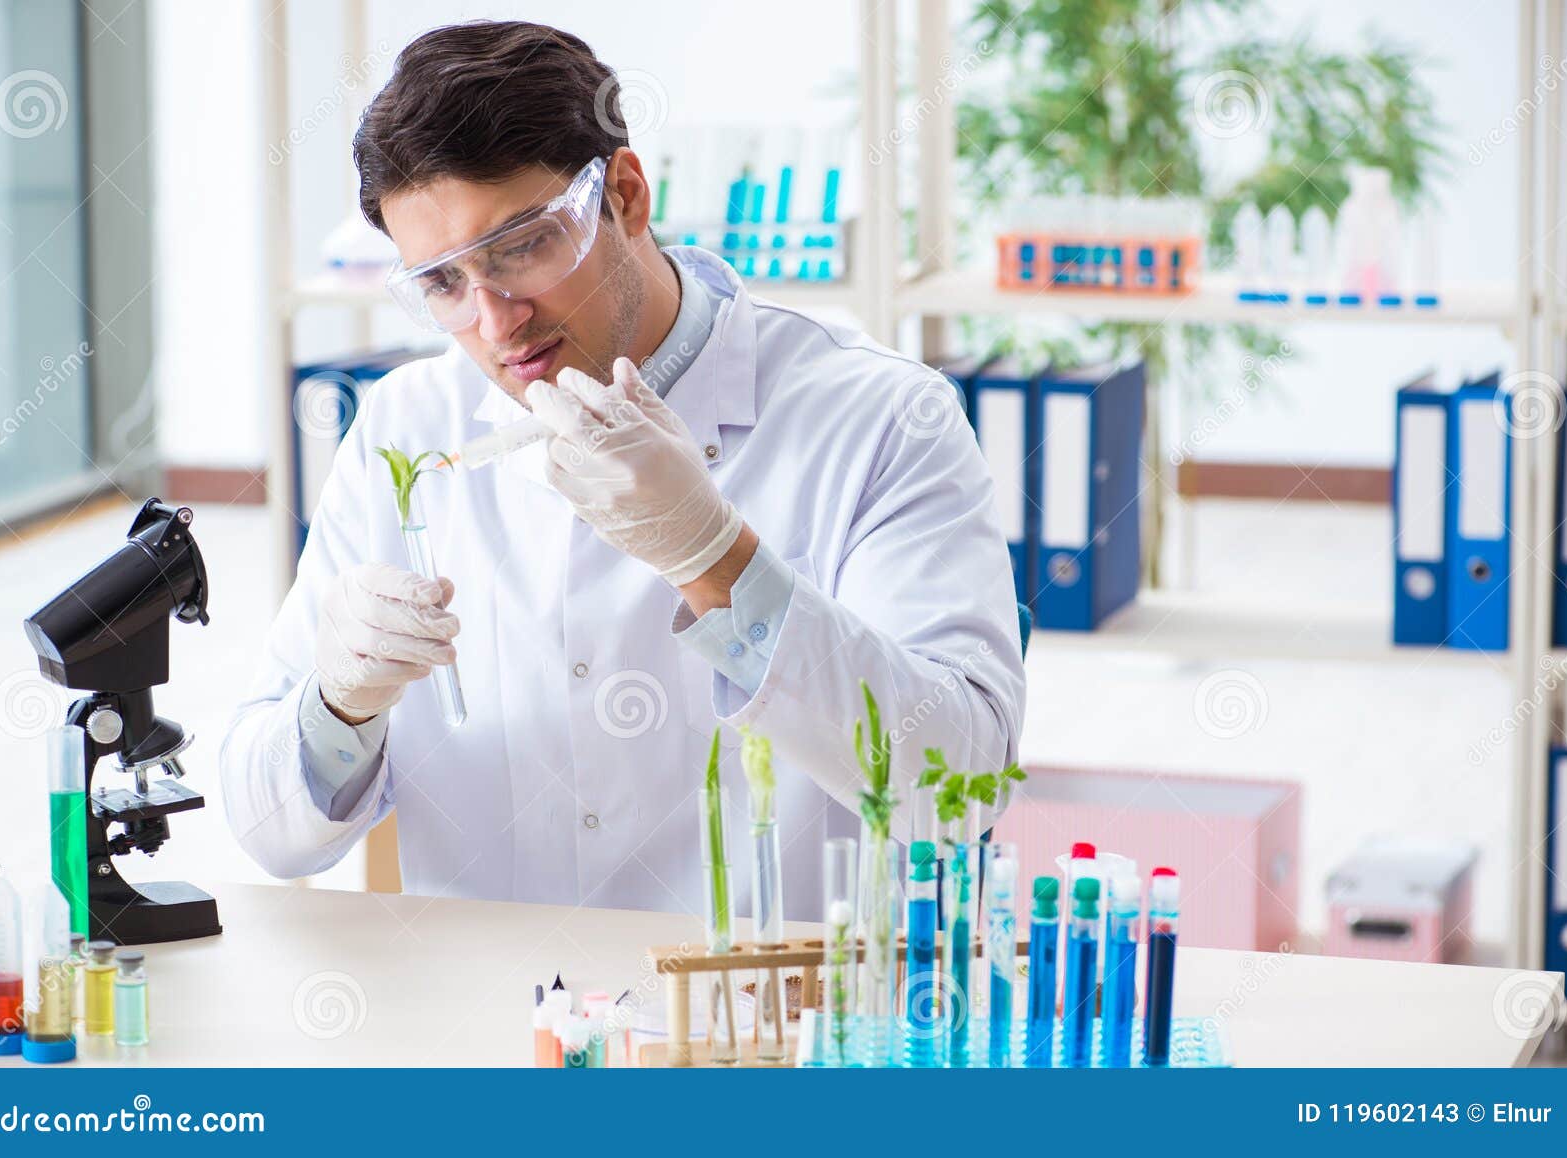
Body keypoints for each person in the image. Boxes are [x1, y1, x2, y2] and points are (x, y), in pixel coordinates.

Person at [220, 20, 1025, 916]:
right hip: (493, 1022)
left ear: (628, 195)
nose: (495, 323)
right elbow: (269, 834)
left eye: (521, 246)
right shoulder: (409, 429)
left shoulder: (878, 416)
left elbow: (961, 789)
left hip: (775, 1022)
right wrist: (341, 705)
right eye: (444, 284)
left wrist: (718, 559)